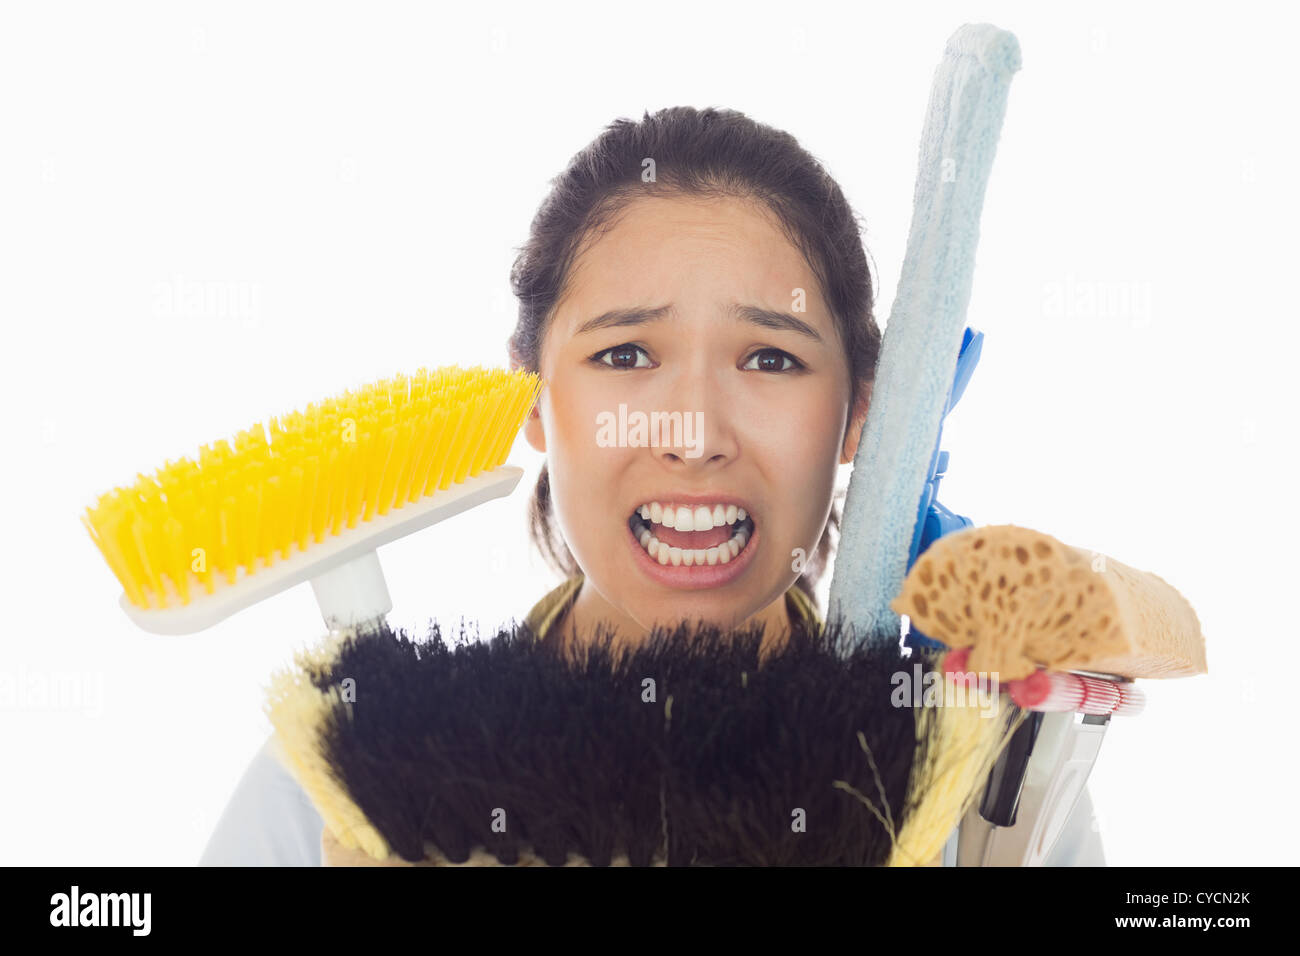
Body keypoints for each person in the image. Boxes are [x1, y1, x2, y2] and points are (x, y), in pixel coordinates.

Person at [200, 106, 1104, 867]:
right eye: (624, 354)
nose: (694, 435)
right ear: (533, 397)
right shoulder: (331, 782)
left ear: (861, 413)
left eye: (771, 358)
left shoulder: (984, 799)